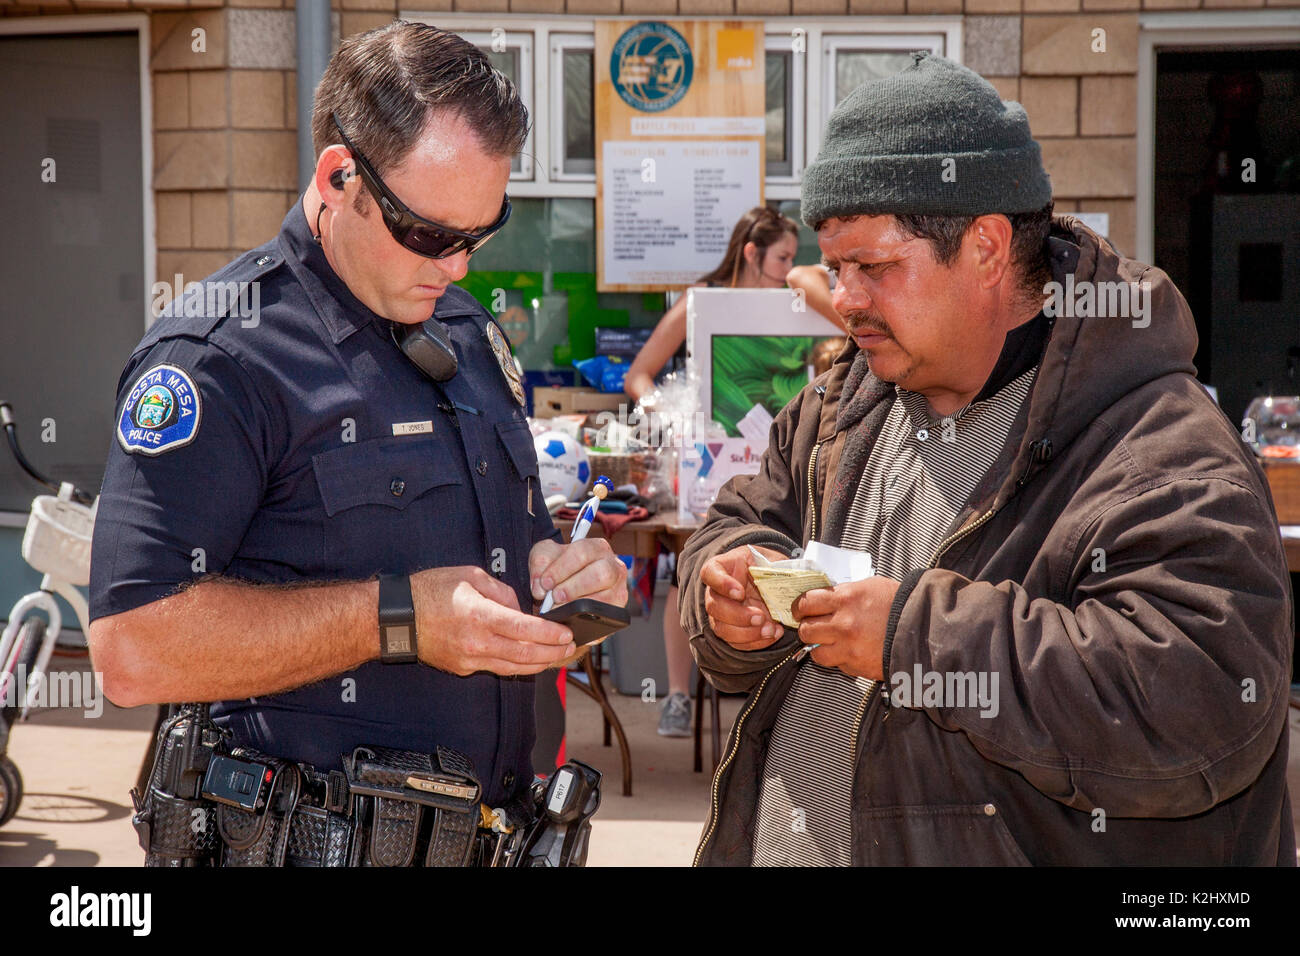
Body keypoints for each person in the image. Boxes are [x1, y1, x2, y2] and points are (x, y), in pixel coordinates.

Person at [679, 52, 1295, 865]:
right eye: (836, 268)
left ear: (987, 248)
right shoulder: (843, 402)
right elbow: (735, 524)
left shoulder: (1162, 448)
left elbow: (1203, 708)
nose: (847, 298)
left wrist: (915, 637)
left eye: (874, 266)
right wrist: (729, 589)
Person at [86, 22, 627, 861]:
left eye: (482, 233)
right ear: (340, 177)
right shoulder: (219, 356)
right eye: (431, 233)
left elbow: (500, 550)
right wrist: (397, 619)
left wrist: (563, 570)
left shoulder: (466, 332)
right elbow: (133, 649)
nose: (459, 266)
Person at [623, 207, 840, 739]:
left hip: (783, 470)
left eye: (796, 257)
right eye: (782, 257)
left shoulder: (799, 302)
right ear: (751, 252)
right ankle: (677, 695)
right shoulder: (702, 304)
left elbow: (812, 291)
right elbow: (639, 375)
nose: (791, 268)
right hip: (711, 467)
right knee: (693, 572)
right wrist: (666, 412)